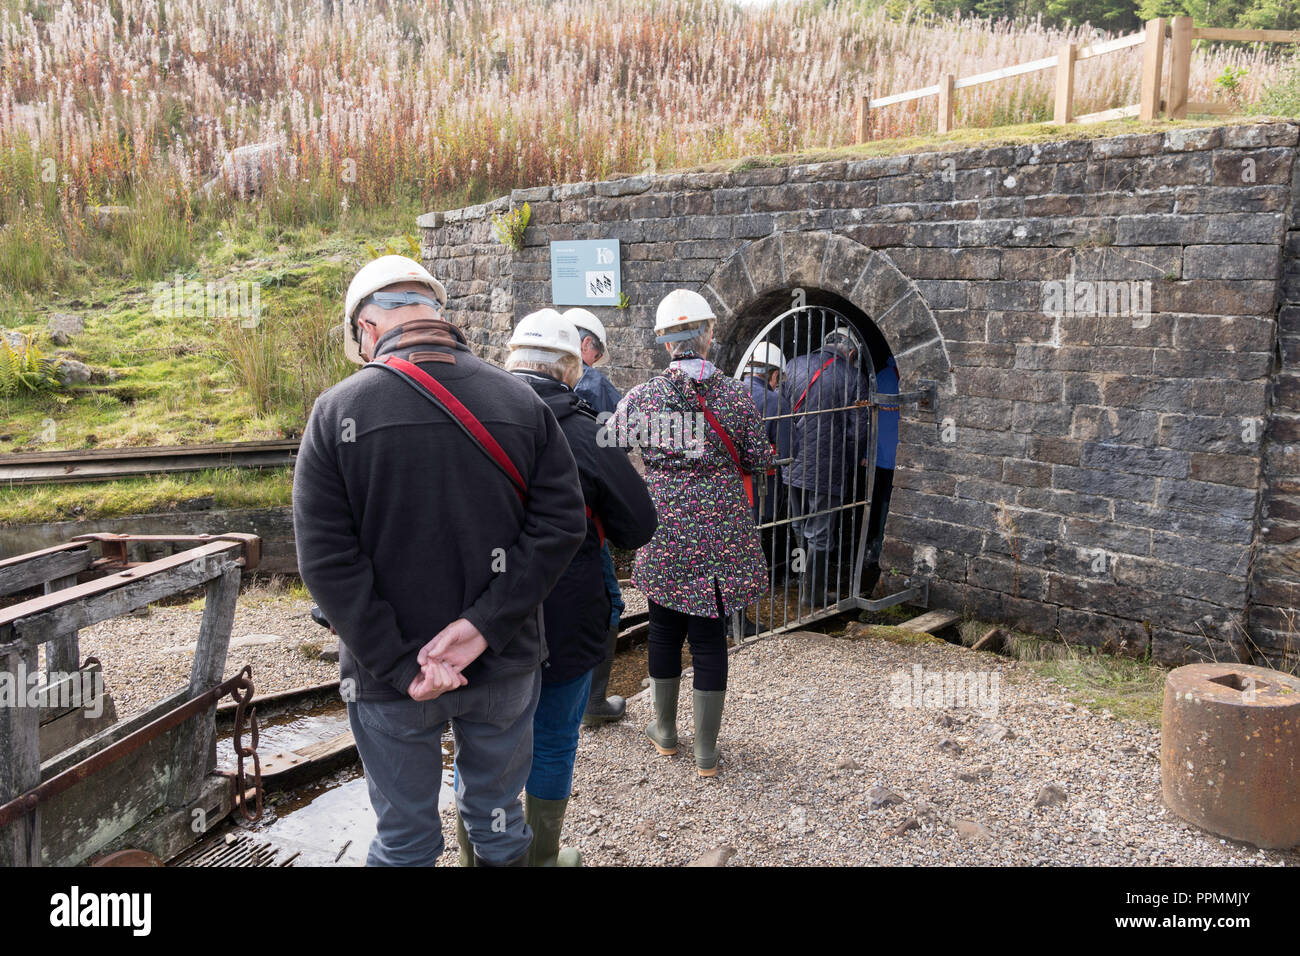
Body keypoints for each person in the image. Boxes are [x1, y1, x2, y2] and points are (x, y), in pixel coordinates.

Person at [293, 255, 587, 867]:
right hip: (503, 665)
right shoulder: (521, 400)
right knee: (500, 829)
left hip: (387, 681)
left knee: (404, 840)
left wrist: (403, 665)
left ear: (367, 329)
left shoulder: (336, 412)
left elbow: (325, 560)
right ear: (436, 312)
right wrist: (484, 628)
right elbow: (562, 526)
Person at [457, 308, 657, 866]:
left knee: (479, 744)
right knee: (551, 738)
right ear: (572, 368)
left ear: (511, 361)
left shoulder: (461, 423)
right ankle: (541, 856)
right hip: (566, 612)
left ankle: (479, 858)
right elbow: (639, 524)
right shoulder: (588, 429)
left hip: (477, 615)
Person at [606, 289, 777, 776]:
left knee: (662, 629)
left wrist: (649, 476)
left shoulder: (644, 397)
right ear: (707, 336)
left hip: (665, 525)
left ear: (664, 343)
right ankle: (706, 752)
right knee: (709, 638)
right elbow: (761, 460)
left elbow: (609, 444)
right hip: (722, 528)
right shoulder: (734, 394)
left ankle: (664, 733)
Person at [564, 308, 627, 726]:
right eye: (598, 352)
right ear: (586, 345)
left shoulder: (519, 383)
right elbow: (615, 449)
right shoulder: (596, 386)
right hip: (585, 519)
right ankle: (593, 703)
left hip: (536, 519)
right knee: (610, 604)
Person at [780, 326, 872, 609]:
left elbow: (782, 410)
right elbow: (858, 430)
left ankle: (801, 578)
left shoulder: (794, 364)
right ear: (852, 352)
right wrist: (852, 461)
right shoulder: (854, 377)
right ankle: (813, 594)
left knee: (798, 524)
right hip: (827, 466)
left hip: (792, 462)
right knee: (819, 533)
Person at [862, 355, 900, 596]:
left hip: (877, 452)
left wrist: (865, 451)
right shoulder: (900, 377)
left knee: (873, 501)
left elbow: (868, 416)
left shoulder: (881, 377)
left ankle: (871, 547)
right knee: (885, 500)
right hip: (896, 453)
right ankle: (879, 546)